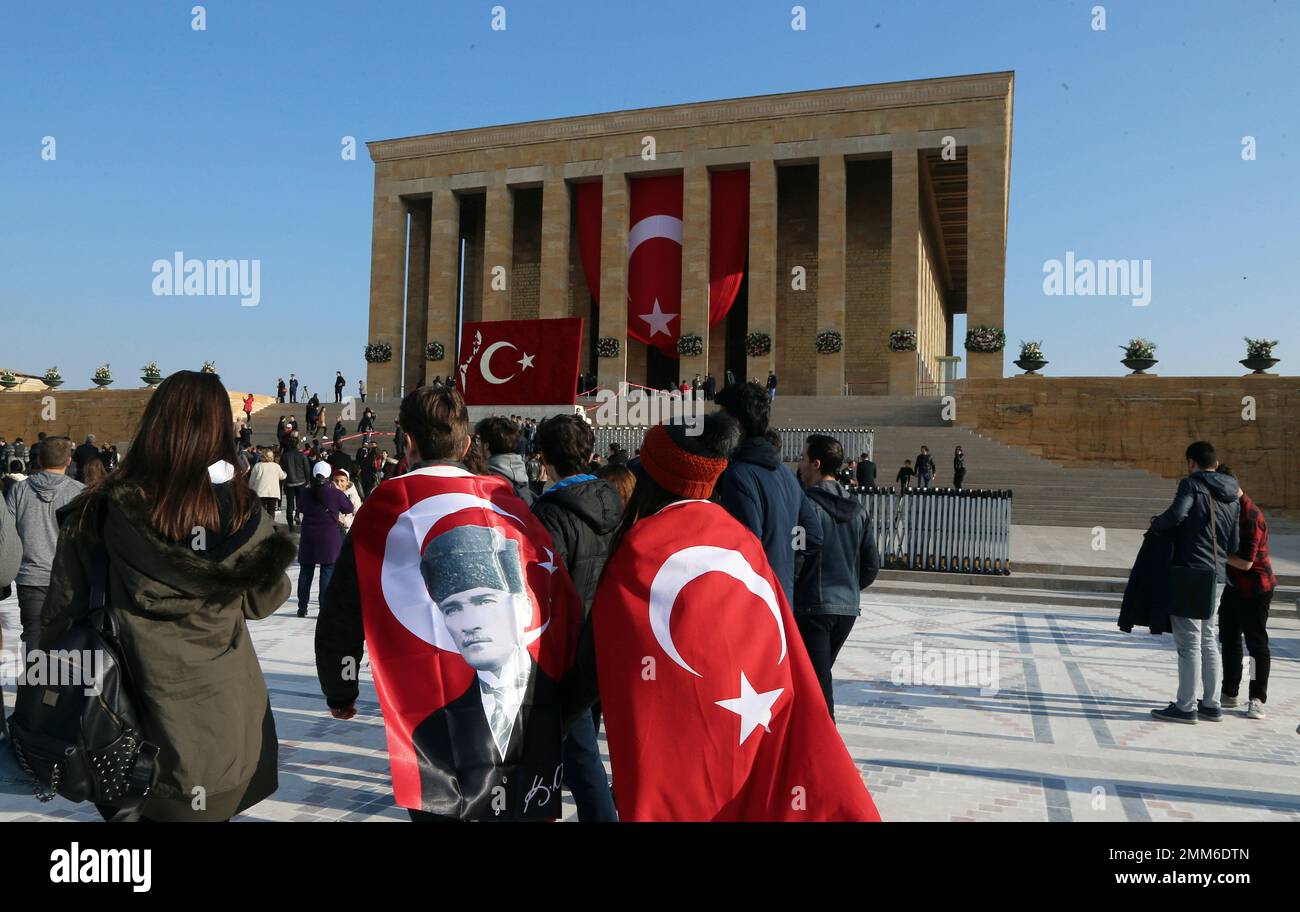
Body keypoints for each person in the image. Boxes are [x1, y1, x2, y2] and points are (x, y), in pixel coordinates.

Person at [587, 414, 880, 822]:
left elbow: (614, 650)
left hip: (684, 750)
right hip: (749, 720)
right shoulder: (742, 540)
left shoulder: (638, 548)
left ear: (651, 475)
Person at [314, 385, 583, 822]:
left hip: (438, 725)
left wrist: (340, 686)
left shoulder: (385, 507)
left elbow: (342, 609)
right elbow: (561, 596)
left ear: (409, 442)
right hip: (528, 707)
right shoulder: (511, 504)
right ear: (465, 443)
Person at [40, 370, 292, 821]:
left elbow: (59, 616)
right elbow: (263, 601)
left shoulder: (97, 511)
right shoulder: (239, 518)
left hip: (120, 728)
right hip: (222, 730)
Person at [531, 414, 621, 822]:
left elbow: (542, 589)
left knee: (578, 752)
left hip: (565, 649)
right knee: (584, 747)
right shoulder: (616, 500)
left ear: (544, 459)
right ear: (588, 454)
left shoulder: (550, 514)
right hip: (606, 637)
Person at [1148, 441, 1240, 724]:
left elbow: (1176, 515)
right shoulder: (1234, 495)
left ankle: (1186, 706)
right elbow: (1235, 542)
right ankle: (1211, 704)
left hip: (1191, 573)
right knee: (1209, 638)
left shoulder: (1191, 484)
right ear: (1216, 462)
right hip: (1218, 574)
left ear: (1191, 462)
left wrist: (1156, 523)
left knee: (1188, 643)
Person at [794, 434, 880, 719]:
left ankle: (825, 754)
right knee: (815, 678)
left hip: (811, 606)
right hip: (845, 608)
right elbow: (871, 566)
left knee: (815, 686)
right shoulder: (857, 509)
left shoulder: (805, 506)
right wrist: (848, 588)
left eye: (804, 459)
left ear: (816, 464)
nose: (801, 464)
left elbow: (796, 557)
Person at [714, 381, 821, 607]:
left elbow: (744, 549)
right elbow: (812, 534)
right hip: (781, 599)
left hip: (752, 605)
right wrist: (785, 562)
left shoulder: (739, 475)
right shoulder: (786, 474)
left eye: (721, 417)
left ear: (737, 424)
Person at [4, 436, 85, 654]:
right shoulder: (80, 493)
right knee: (68, 640)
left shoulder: (19, 491)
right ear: (69, 461)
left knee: (33, 638)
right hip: (69, 578)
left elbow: (8, 535)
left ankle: (34, 687)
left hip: (30, 576)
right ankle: (58, 686)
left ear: (38, 459)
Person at [1216, 466, 1276, 720]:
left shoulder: (1251, 515)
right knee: (1229, 638)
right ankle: (1230, 691)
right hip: (1235, 586)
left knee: (1256, 644)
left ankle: (1257, 697)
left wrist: (1214, 553)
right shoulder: (1232, 507)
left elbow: (1246, 563)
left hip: (1256, 588)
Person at [295, 461, 353, 618]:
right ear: (329, 476)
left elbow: (300, 507)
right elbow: (349, 508)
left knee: (306, 572)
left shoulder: (305, 492)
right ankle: (323, 606)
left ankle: (302, 607)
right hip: (329, 537)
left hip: (308, 536)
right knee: (327, 572)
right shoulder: (335, 493)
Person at [477, 416, 535, 505]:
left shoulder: (484, 483)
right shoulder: (522, 475)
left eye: (478, 440)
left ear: (486, 446)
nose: (477, 445)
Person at [280, 435, 311, 531]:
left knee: (290, 504)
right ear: (297, 445)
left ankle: (290, 524)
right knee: (300, 501)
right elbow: (307, 469)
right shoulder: (302, 455)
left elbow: (282, 470)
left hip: (289, 482)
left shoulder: (284, 456)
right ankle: (297, 515)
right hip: (301, 481)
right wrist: (308, 480)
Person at [250, 448, 287, 521]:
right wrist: (285, 472)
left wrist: (250, 489)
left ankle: (262, 526)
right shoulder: (276, 466)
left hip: (260, 492)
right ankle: (271, 525)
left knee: (261, 512)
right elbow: (282, 476)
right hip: (273, 492)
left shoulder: (258, 466)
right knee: (271, 510)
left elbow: (252, 480)